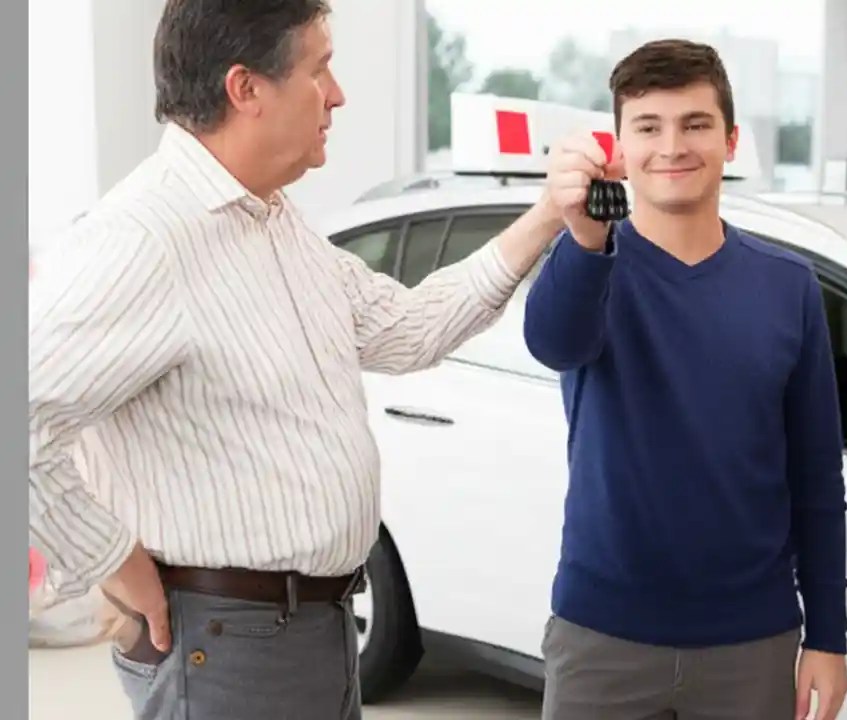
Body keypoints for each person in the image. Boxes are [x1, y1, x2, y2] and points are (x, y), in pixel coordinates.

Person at [27, 1, 567, 717]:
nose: (337, 94)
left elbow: (409, 329)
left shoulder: (276, 224)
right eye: (320, 68)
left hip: (312, 629)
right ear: (245, 88)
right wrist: (115, 565)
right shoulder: (145, 239)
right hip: (225, 641)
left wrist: (546, 217)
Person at [525, 38, 847, 720]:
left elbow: (817, 477)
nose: (672, 145)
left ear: (731, 141)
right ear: (619, 146)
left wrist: (827, 636)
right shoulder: (590, 260)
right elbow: (552, 341)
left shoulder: (788, 286)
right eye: (648, 127)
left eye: (695, 124)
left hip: (751, 642)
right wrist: (583, 237)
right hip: (601, 637)